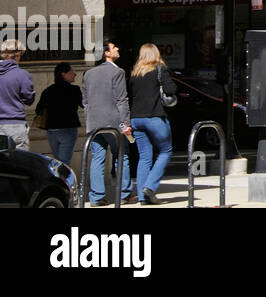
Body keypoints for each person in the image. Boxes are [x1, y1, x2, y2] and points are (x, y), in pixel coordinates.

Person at [83, 40, 133, 205]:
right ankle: (124, 194)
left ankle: (96, 197)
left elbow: (86, 102)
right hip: (113, 122)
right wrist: (125, 123)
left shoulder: (88, 73)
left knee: (98, 158)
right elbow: (121, 100)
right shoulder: (117, 72)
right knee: (122, 156)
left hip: (94, 123)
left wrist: (90, 118)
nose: (117, 48)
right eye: (114, 47)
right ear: (106, 53)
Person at [128, 43, 177, 205]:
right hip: (154, 117)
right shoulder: (159, 69)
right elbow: (170, 89)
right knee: (166, 150)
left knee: (144, 157)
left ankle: (143, 198)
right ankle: (149, 187)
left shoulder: (135, 73)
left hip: (136, 119)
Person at [35, 62, 83, 166]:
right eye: (71, 72)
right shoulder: (74, 90)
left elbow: (38, 110)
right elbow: (85, 104)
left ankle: (58, 180)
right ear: (63, 74)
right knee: (64, 164)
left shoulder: (48, 91)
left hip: (52, 130)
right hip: (67, 129)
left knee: (58, 161)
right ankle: (64, 182)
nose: (74, 74)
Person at [0, 38, 35, 151]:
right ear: (18, 55)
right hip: (15, 125)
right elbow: (29, 99)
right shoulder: (22, 75)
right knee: (20, 164)